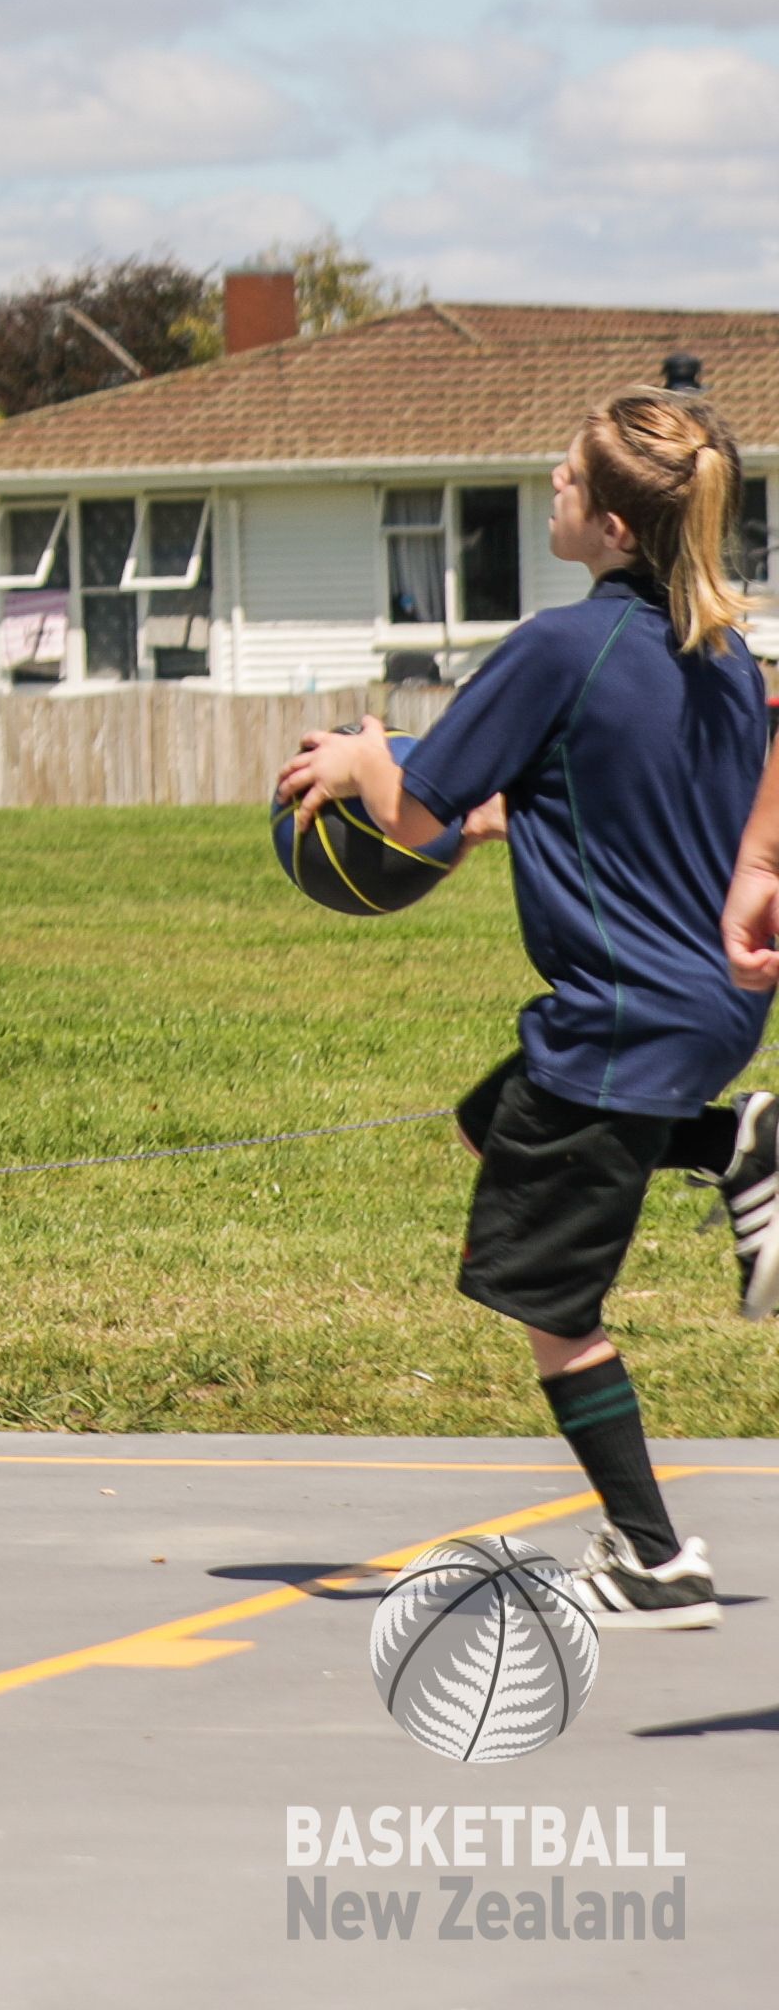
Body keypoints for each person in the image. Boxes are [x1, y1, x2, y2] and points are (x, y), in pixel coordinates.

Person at [281, 388, 779, 1632]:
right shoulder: (717, 655)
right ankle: (735, 1143)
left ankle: (655, 1562)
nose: (548, 488)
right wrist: (504, 808)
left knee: (552, 1309)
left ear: (608, 520)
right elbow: (601, 790)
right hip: (707, 1012)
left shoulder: (560, 644)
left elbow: (409, 813)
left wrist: (357, 760)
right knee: (485, 1125)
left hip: (618, 1020)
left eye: (563, 478)